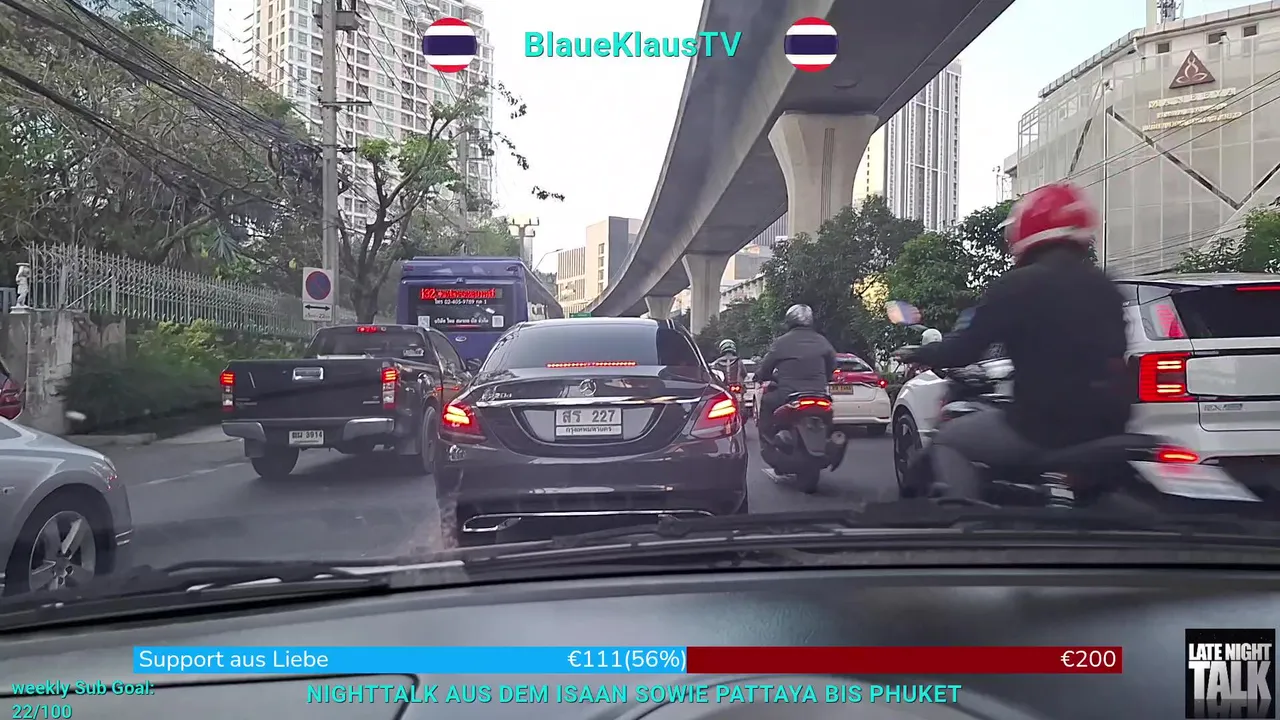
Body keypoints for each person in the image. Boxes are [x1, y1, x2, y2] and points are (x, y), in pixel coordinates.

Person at [894, 182, 1132, 499]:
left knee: (949, 440)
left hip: (1040, 429)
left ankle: (962, 519)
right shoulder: (1106, 286)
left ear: (1027, 229)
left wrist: (922, 353)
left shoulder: (1017, 285)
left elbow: (963, 350)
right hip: (1109, 428)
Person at [755, 304, 837, 441]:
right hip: (819, 394)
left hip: (788, 395)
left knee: (767, 401)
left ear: (790, 320)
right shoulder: (823, 341)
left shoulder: (781, 342)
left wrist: (761, 376)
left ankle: (768, 441)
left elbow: (766, 368)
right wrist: (826, 378)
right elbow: (833, 365)